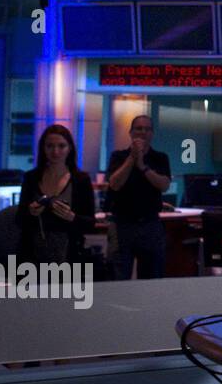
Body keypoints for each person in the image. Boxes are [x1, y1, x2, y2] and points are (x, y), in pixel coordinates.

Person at [104, 115, 172, 280]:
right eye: (139, 128)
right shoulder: (118, 156)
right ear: (131, 132)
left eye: (147, 129)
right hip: (122, 224)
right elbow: (114, 183)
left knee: (151, 278)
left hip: (150, 224)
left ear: (152, 133)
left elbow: (164, 185)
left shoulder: (160, 158)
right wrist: (132, 158)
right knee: (118, 278)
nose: (143, 132)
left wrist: (142, 166)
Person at [16, 125, 95, 265]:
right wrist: (31, 212)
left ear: (69, 148)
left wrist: (72, 217)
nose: (55, 151)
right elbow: (19, 219)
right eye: (50, 146)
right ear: (43, 148)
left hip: (69, 255)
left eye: (61, 146)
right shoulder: (31, 177)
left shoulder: (81, 180)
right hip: (32, 256)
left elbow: (90, 223)